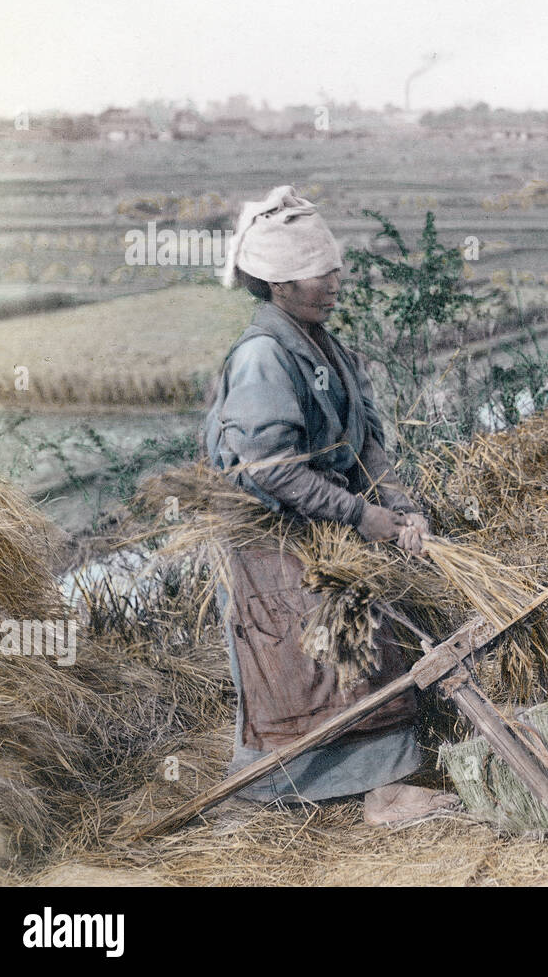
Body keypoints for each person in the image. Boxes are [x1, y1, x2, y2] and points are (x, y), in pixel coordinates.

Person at [204, 184, 458, 823]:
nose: (335, 280)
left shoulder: (324, 345)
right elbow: (274, 472)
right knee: (311, 663)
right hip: (277, 540)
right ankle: (294, 788)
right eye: (319, 271)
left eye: (334, 266)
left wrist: (397, 503)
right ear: (280, 284)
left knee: (370, 642)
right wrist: (361, 517)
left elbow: (366, 439)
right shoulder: (264, 356)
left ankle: (384, 782)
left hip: (326, 524)